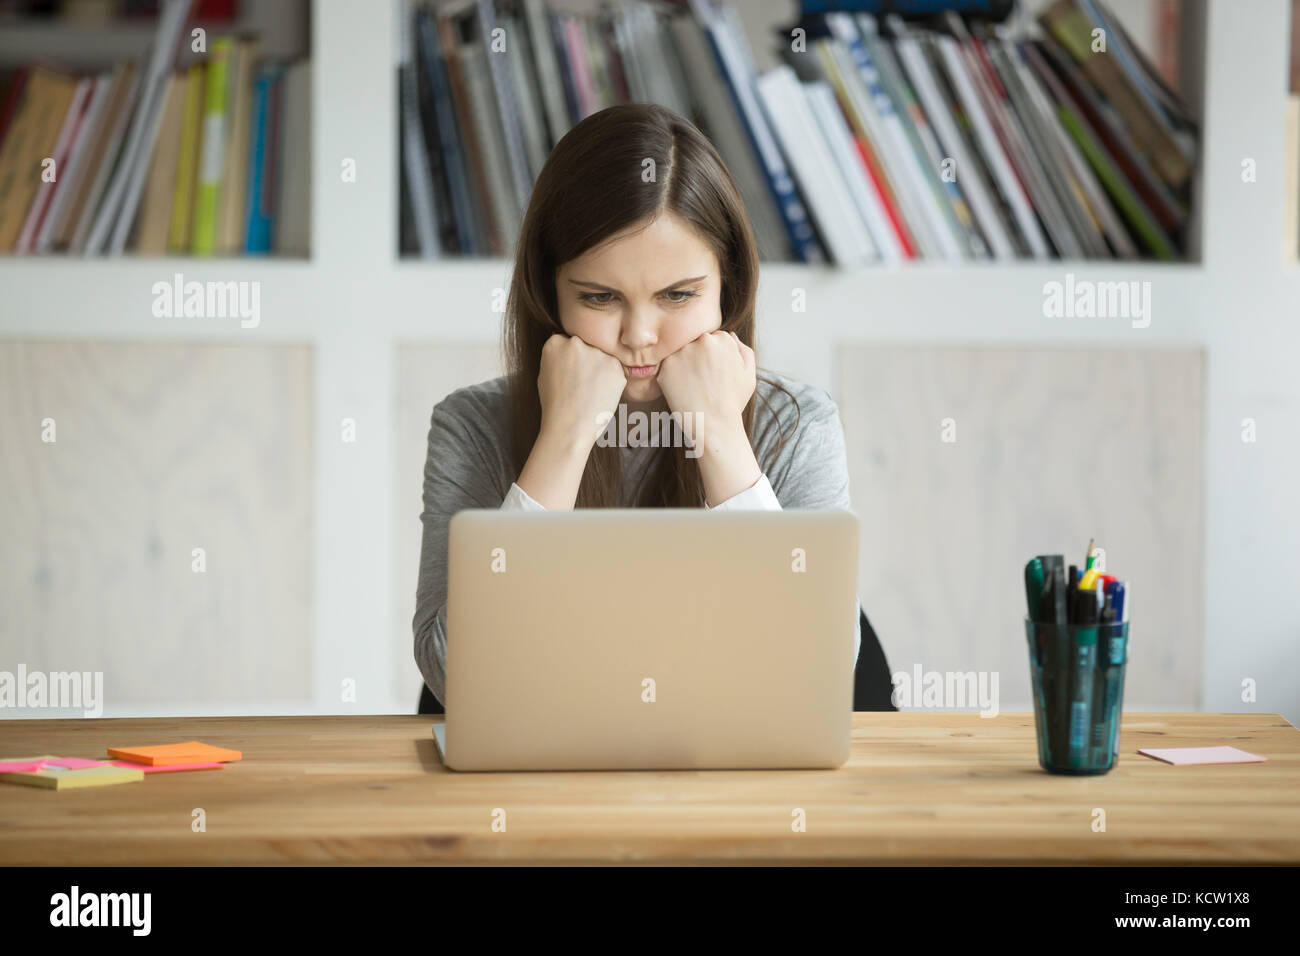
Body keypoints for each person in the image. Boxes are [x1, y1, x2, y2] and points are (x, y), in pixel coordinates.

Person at [413, 103, 893, 711]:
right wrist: (561, 441)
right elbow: (457, 677)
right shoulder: (472, 426)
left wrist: (720, 438)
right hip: (534, 789)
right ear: (548, 292)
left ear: (729, 290)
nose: (639, 334)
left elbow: (816, 674)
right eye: (599, 296)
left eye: (677, 295)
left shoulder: (798, 424)